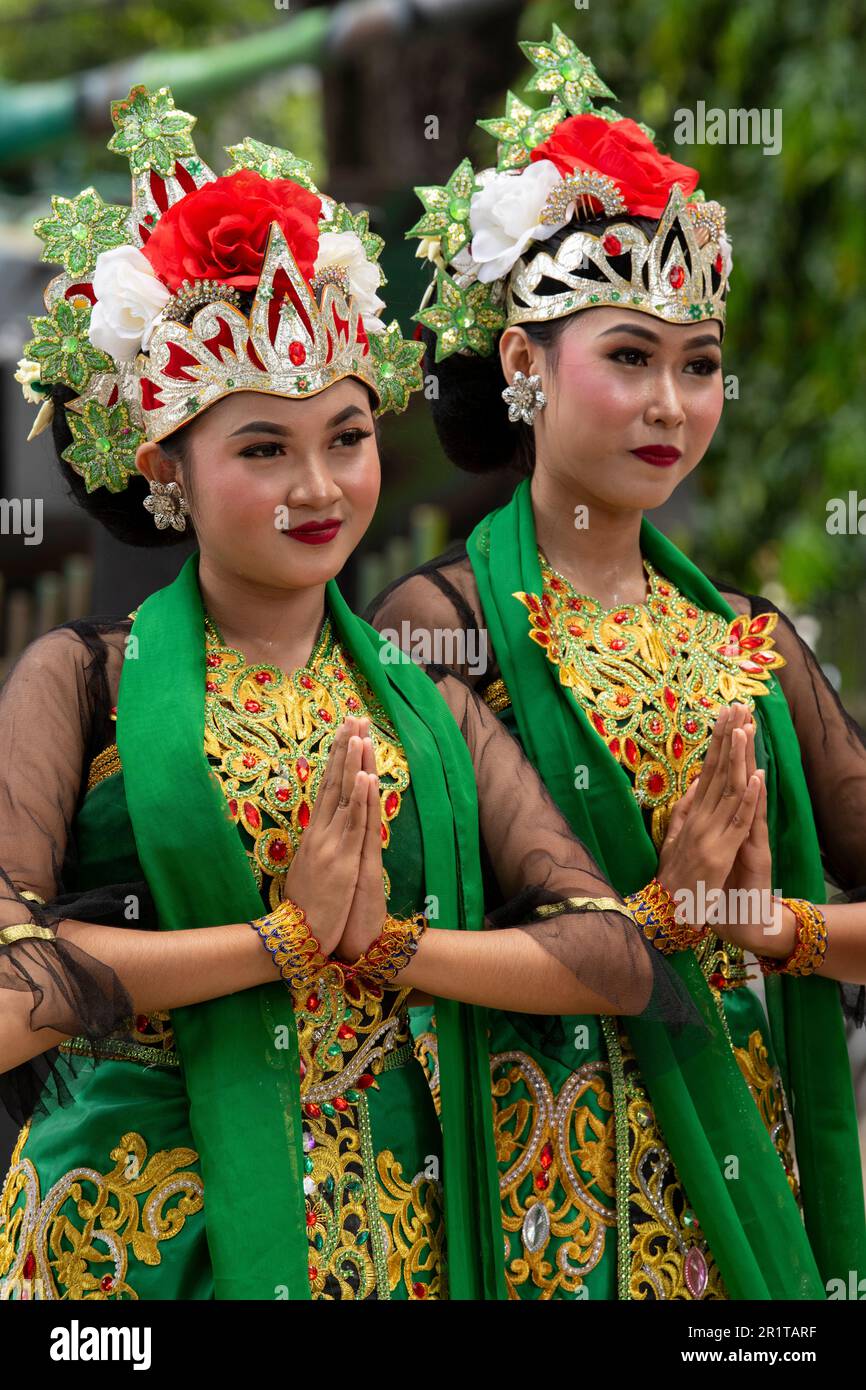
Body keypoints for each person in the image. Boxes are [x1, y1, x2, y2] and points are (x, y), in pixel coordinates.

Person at [0, 83, 705, 1303]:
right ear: (167, 466)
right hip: (132, 1248)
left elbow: (609, 958)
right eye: (262, 448)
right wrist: (276, 941)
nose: (320, 485)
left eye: (347, 435)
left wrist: (385, 944)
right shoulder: (82, 681)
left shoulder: (424, 707)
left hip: (395, 1235)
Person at [368, 30, 866, 1299]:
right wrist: (646, 921)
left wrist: (771, 926)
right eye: (629, 357)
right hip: (524, 1192)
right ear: (524, 363)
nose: (670, 405)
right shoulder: (438, 625)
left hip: (736, 1191)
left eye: (696, 366)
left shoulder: (742, 641)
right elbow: (379, 941)